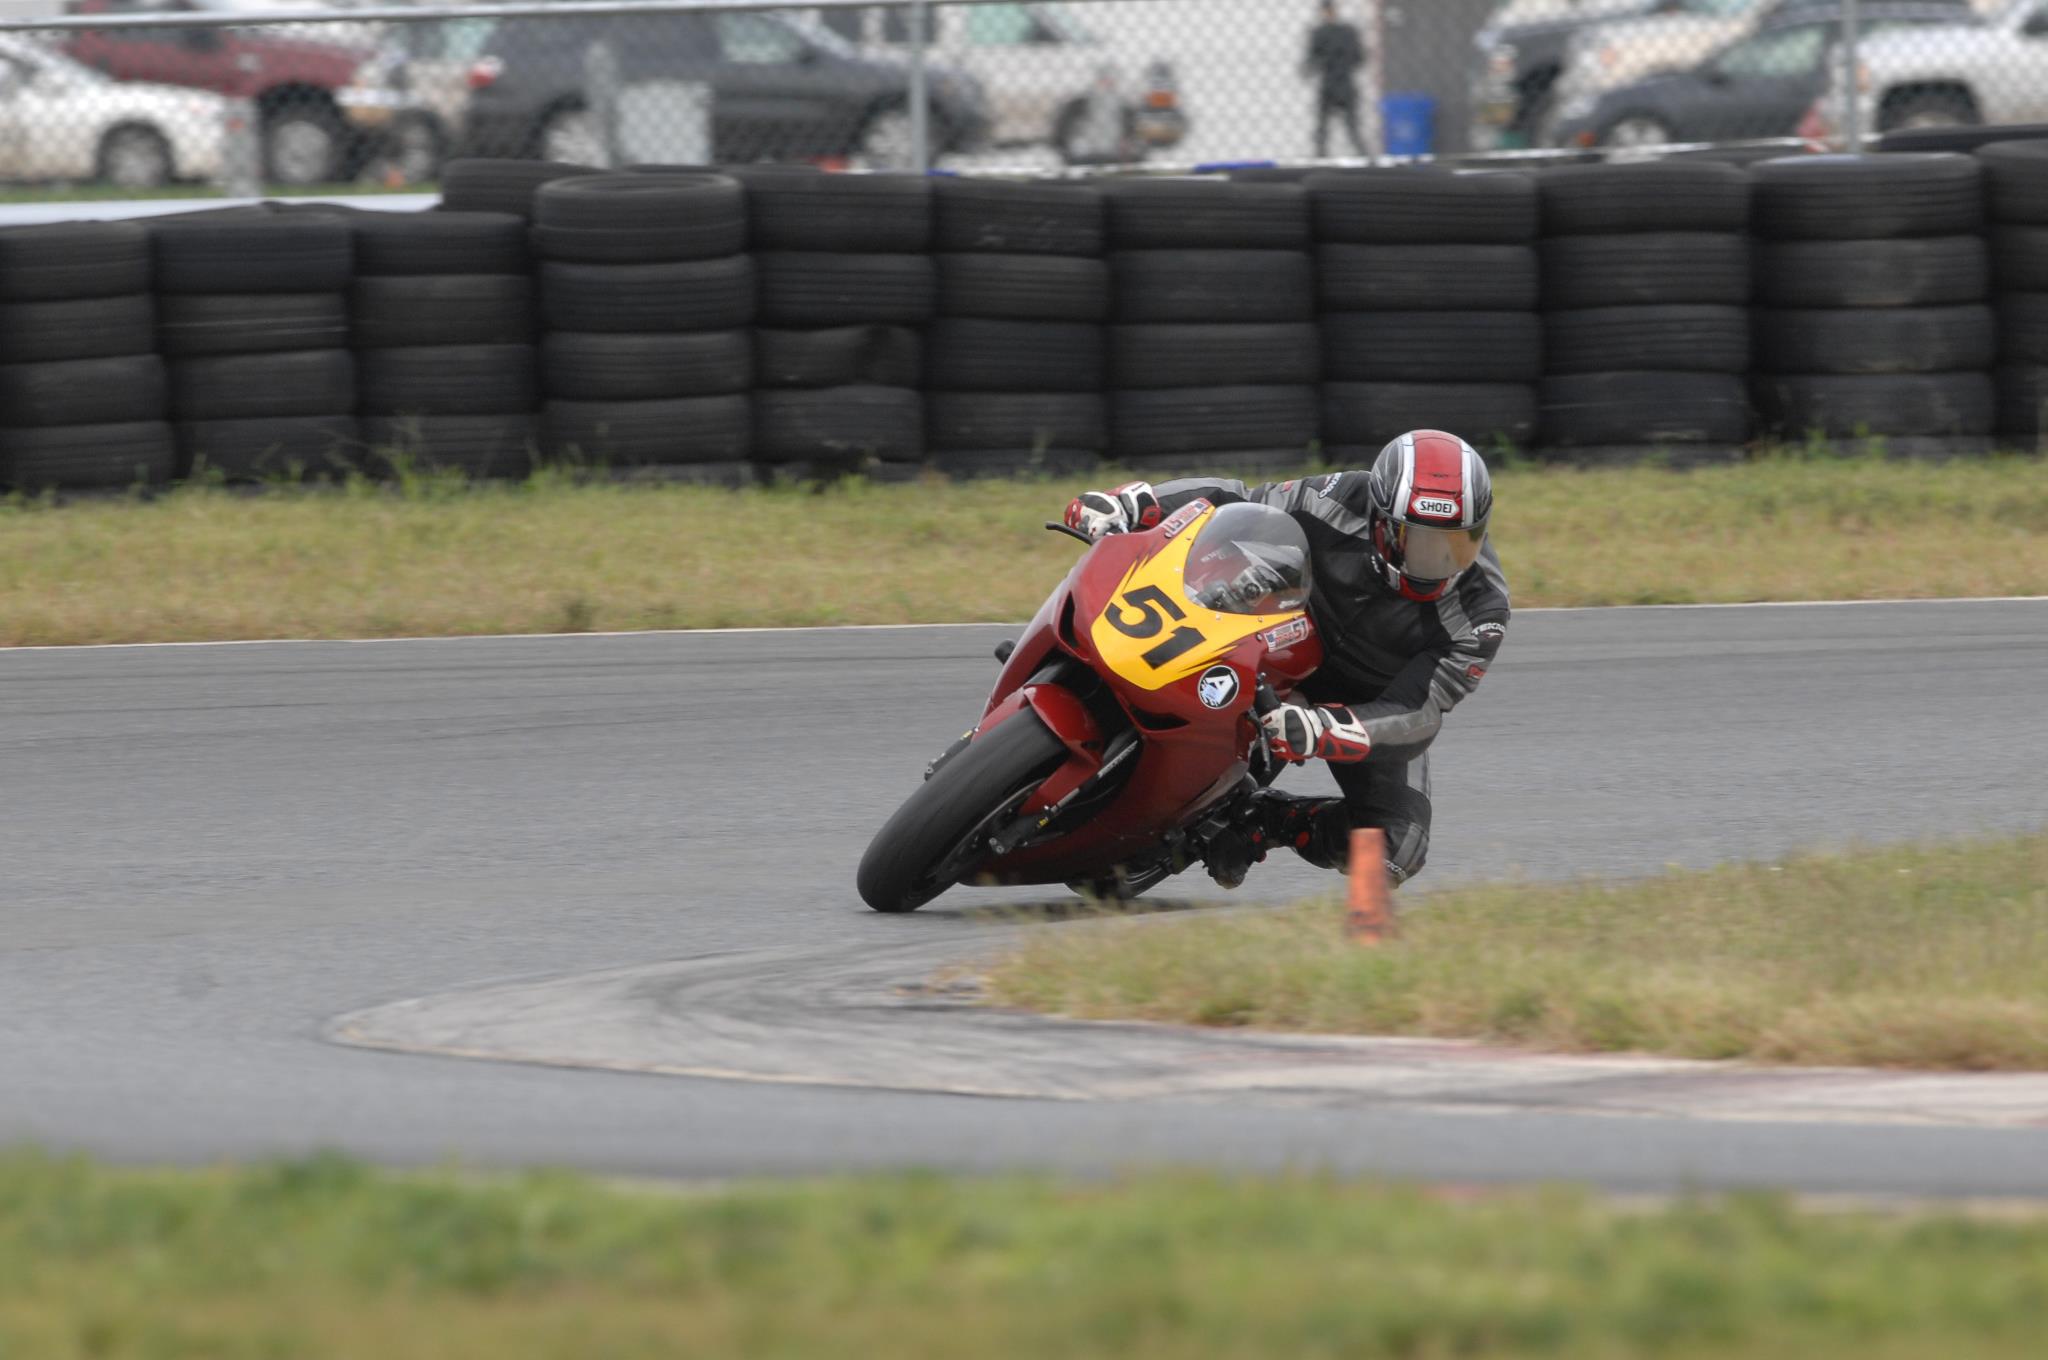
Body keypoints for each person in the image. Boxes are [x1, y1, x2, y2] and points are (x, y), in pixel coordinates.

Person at [1063, 431, 1508, 888]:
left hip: (1365, 701)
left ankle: (1262, 818)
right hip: (1287, 629)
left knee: (1399, 848)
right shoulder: (1339, 499)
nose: (1435, 563)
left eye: (1457, 544)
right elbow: (1244, 501)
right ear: (1379, 518)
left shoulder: (1482, 610)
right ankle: (1073, 672)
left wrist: (1327, 729)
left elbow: (1419, 711)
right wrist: (1138, 504)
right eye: (1415, 542)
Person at [1303, 0, 1368, 159]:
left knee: (1350, 127)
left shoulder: (1342, 32)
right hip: (1334, 83)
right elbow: (1359, 58)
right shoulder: (1327, 32)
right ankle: (1321, 156)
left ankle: (1361, 156)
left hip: (1340, 82)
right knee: (1326, 128)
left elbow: (1358, 57)